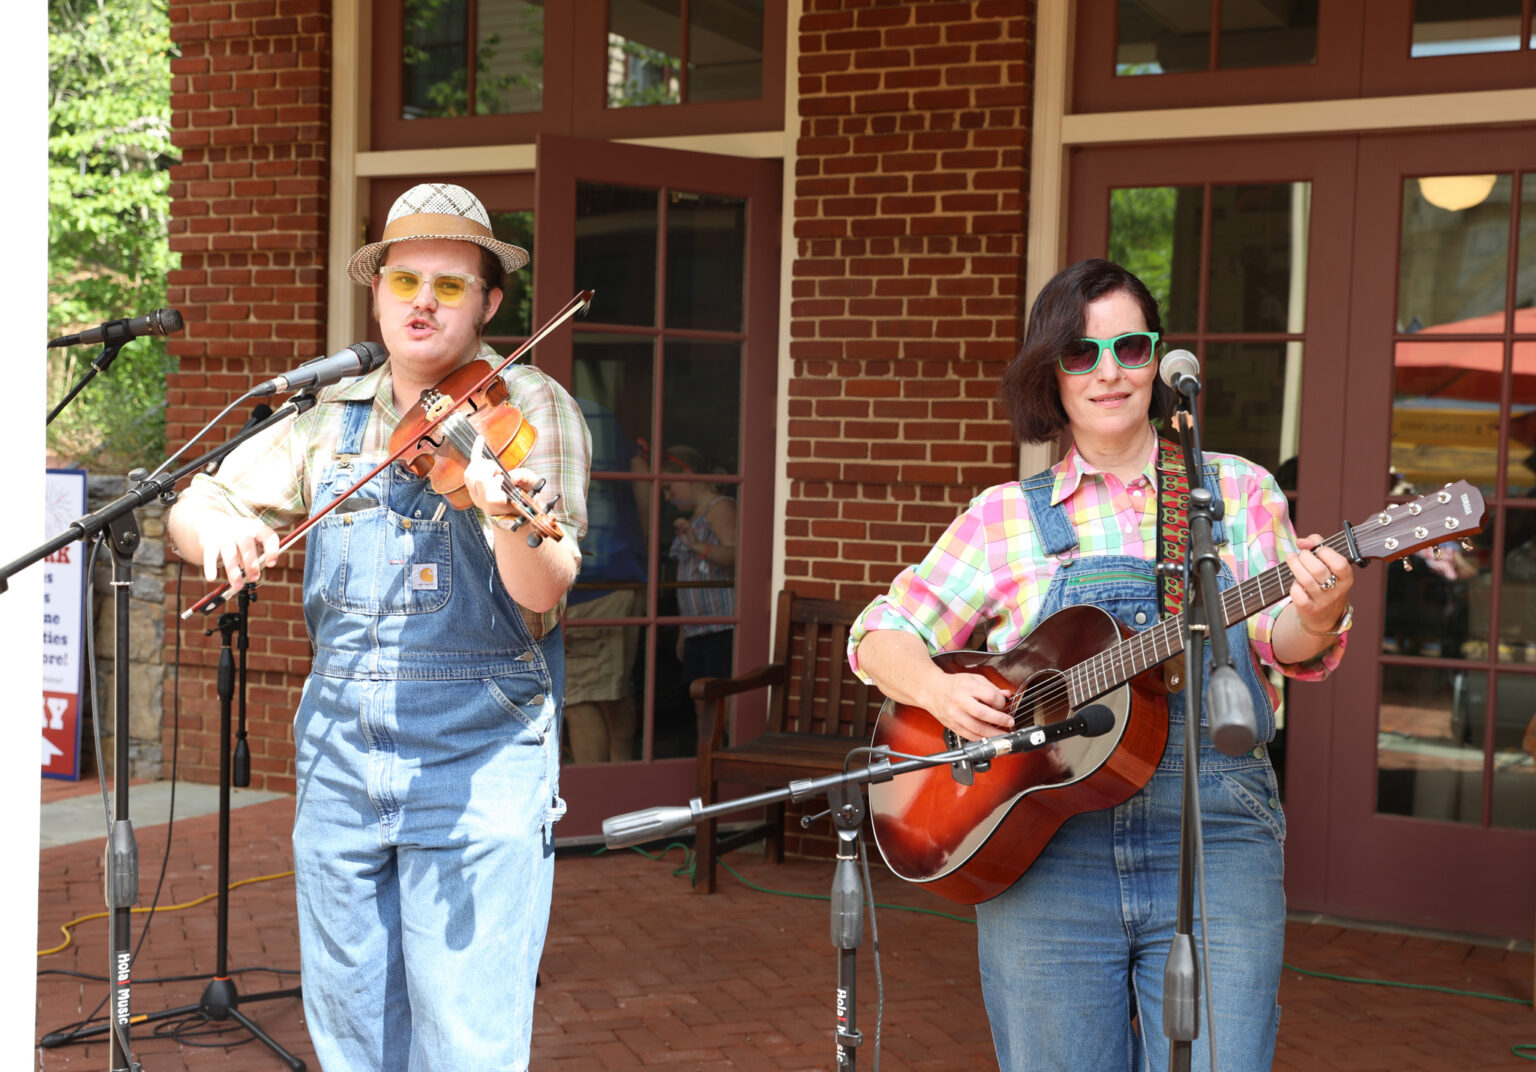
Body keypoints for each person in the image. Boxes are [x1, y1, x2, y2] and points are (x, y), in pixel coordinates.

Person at [848, 258, 1355, 1072]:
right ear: (1052, 374)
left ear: (1160, 360)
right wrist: (939, 688)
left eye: (1131, 346)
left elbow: (1280, 643)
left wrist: (1321, 610)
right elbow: (878, 634)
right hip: (1045, 845)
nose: (1110, 371)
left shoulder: (1234, 493)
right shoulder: (1004, 518)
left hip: (1213, 833)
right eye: (1082, 354)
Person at [166, 182, 590, 1071]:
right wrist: (223, 528)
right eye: (406, 282)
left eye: (449, 285)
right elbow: (195, 501)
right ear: (379, 292)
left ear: (490, 303)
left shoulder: (531, 408)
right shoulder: (329, 412)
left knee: (465, 1045)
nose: (424, 303)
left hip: (476, 757)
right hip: (338, 760)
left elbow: (545, 589)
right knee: (355, 1040)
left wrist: (504, 514)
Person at [562, 396, 647, 763]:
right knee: (613, 693)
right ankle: (621, 784)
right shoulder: (598, 414)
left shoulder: (545, 410)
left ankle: (597, 799)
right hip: (622, 571)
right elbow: (642, 477)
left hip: (589, 582)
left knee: (580, 698)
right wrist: (645, 551)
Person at [664, 445, 737, 698]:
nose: (667, 496)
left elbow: (736, 555)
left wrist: (696, 545)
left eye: (668, 486)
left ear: (687, 474)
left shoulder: (720, 507)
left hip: (721, 625)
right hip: (697, 627)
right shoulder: (695, 516)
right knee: (700, 699)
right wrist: (684, 630)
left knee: (720, 700)